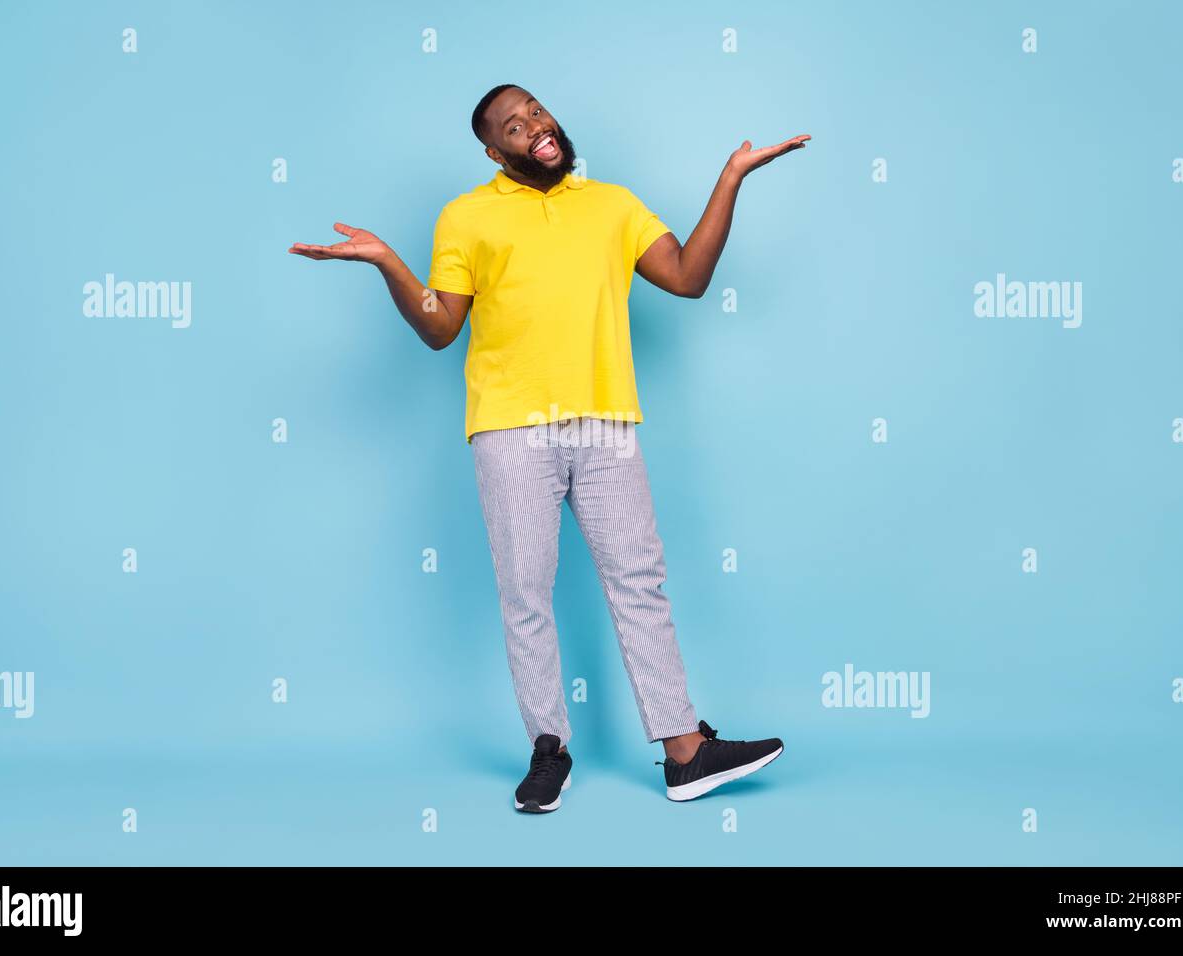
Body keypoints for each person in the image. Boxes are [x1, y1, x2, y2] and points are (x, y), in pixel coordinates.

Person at [290, 84, 810, 813]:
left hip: (605, 424)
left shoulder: (613, 206)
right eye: (512, 124)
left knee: (640, 582)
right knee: (525, 593)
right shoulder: (466, 216)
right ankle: (549, 749)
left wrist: (728, 182)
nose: (531, 124)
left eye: (534, 111)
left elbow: (689, 278)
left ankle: (685, 753)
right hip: (510, 427)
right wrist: (388, 263)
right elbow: (441, 328)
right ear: (493, 150)